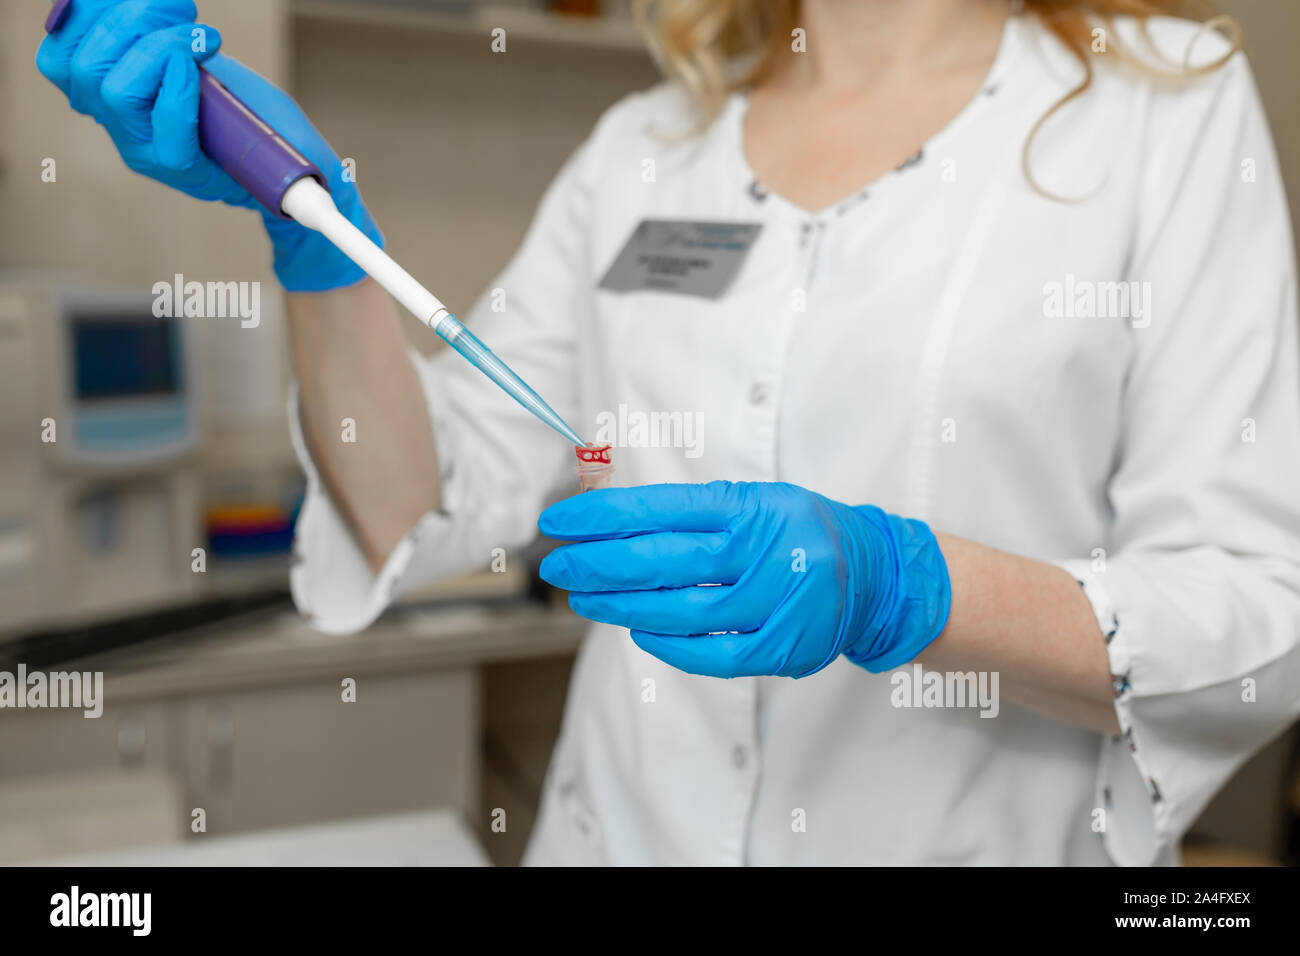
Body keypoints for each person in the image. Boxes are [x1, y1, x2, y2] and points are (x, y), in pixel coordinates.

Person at [39, 0, 1300, 865]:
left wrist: (902, 585)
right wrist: (320, 243)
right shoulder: (643, 148)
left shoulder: (1160, 105)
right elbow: (418, 499)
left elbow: (1252, 614)